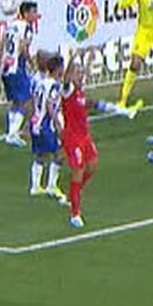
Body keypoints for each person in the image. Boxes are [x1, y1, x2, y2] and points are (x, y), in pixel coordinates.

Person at [60, 58, 98, 229]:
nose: (81, 76)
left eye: (82, 73)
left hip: (85, 136)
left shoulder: (80, 92)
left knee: (92, 166)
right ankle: (75, 213)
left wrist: (89, 61)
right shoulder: (67, 90)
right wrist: (71, 62)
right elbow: (66, 80)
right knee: (78, 171)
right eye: (78, 73)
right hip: (73, 138)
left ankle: (72, 194)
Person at [25, 51, 67, 203]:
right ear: (57, 69)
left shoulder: (39, 83)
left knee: (40, 155)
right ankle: (51, 186)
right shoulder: (54, 86)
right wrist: (57, 124)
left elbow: (32, 101)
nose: (63, 70)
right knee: (60, 153)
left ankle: (35, 186)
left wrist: (29, 123)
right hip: (46, 125)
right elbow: (50, 105)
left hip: (36, 123)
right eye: (62, 67)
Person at [0, 1, 40, 146]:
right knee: (27, 100)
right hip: (17, 68)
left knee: (16, 101)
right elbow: (23, 48)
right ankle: (15, 133)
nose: (35, 16)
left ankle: (12, 132)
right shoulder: (27, 28)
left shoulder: (11, 24)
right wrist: (32, 63)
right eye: (34, 13)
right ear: (26, 13)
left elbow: (2, 42)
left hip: (6, 68)